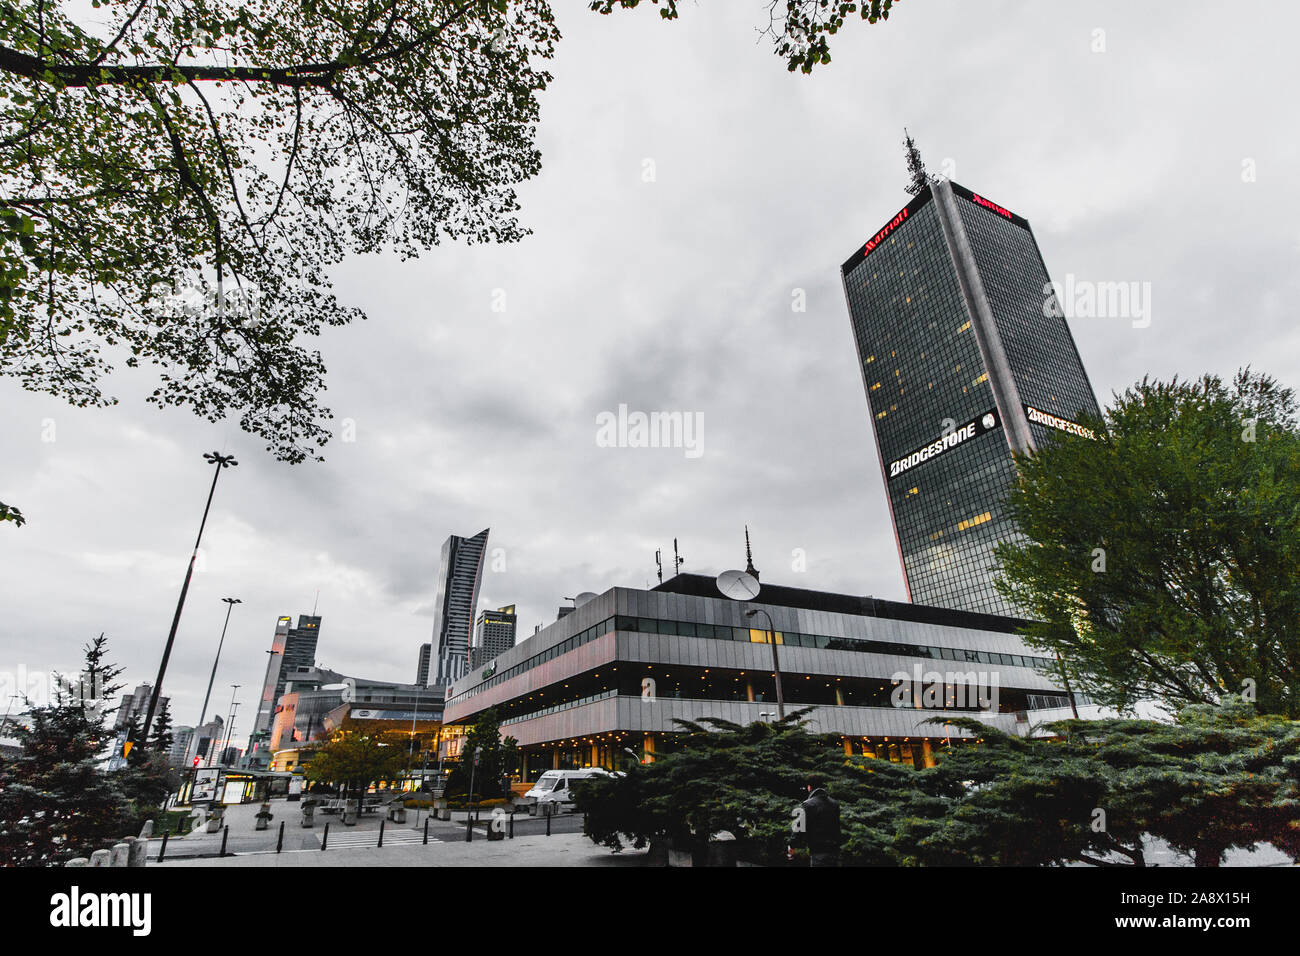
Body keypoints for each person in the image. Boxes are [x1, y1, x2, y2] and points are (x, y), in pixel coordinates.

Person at [799, 780, 842, 867]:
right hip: (835, 852)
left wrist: (792, 845)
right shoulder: (834, 804)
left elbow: (800, 827)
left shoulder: (808, 804)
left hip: (818, 851)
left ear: (809, 787)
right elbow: (837, 828)